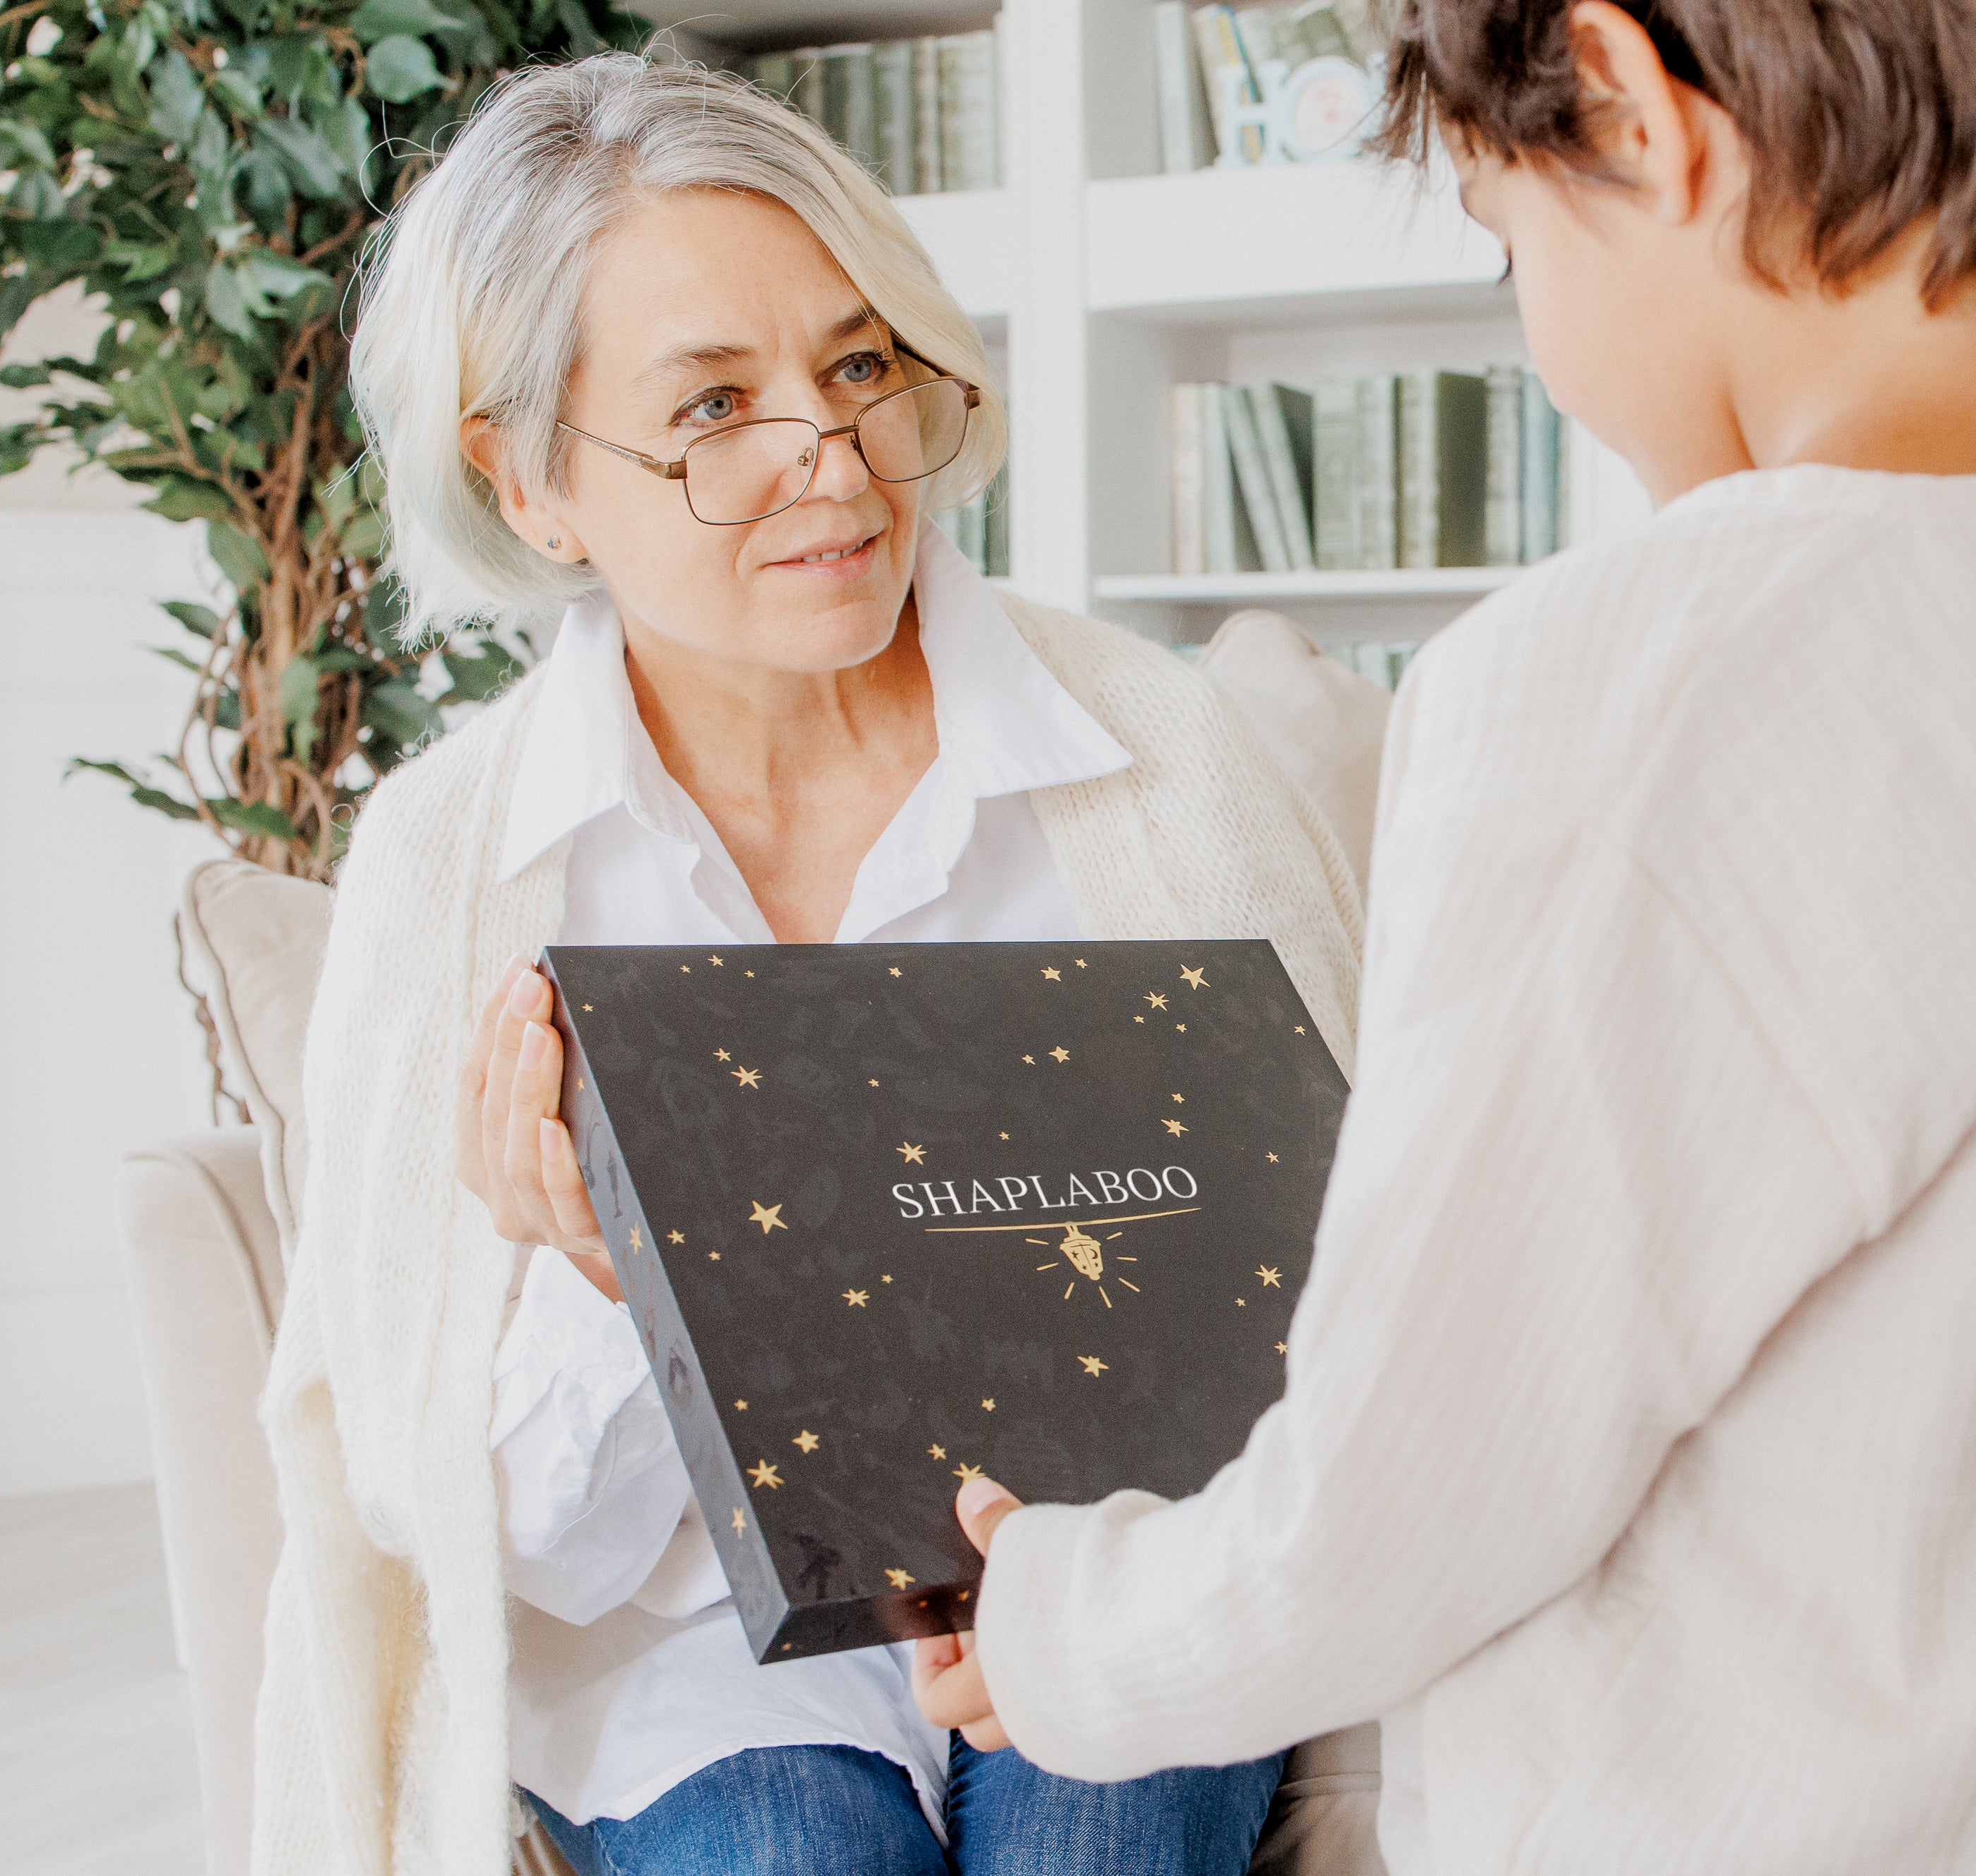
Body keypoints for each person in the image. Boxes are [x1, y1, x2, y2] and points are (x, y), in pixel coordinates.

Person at [912, 1, 1976, 1870]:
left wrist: (1058, 1621)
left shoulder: (1647, 675)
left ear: (1621, 96)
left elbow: (1402, 1500)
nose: (1536, 326)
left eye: (1511, 240)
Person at [251, 56, 1360, 1876]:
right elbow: (439, 1523)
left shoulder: (1161, 756)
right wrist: (620, 1290)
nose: (831, 455)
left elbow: (1374, 1286)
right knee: (788, 1850)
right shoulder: (451, 866)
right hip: (682, 1670)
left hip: (1116, 1567)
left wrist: (1124, 1580)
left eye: (859, 367)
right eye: (714, 404)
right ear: (531, 480)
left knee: (1102, 1804)